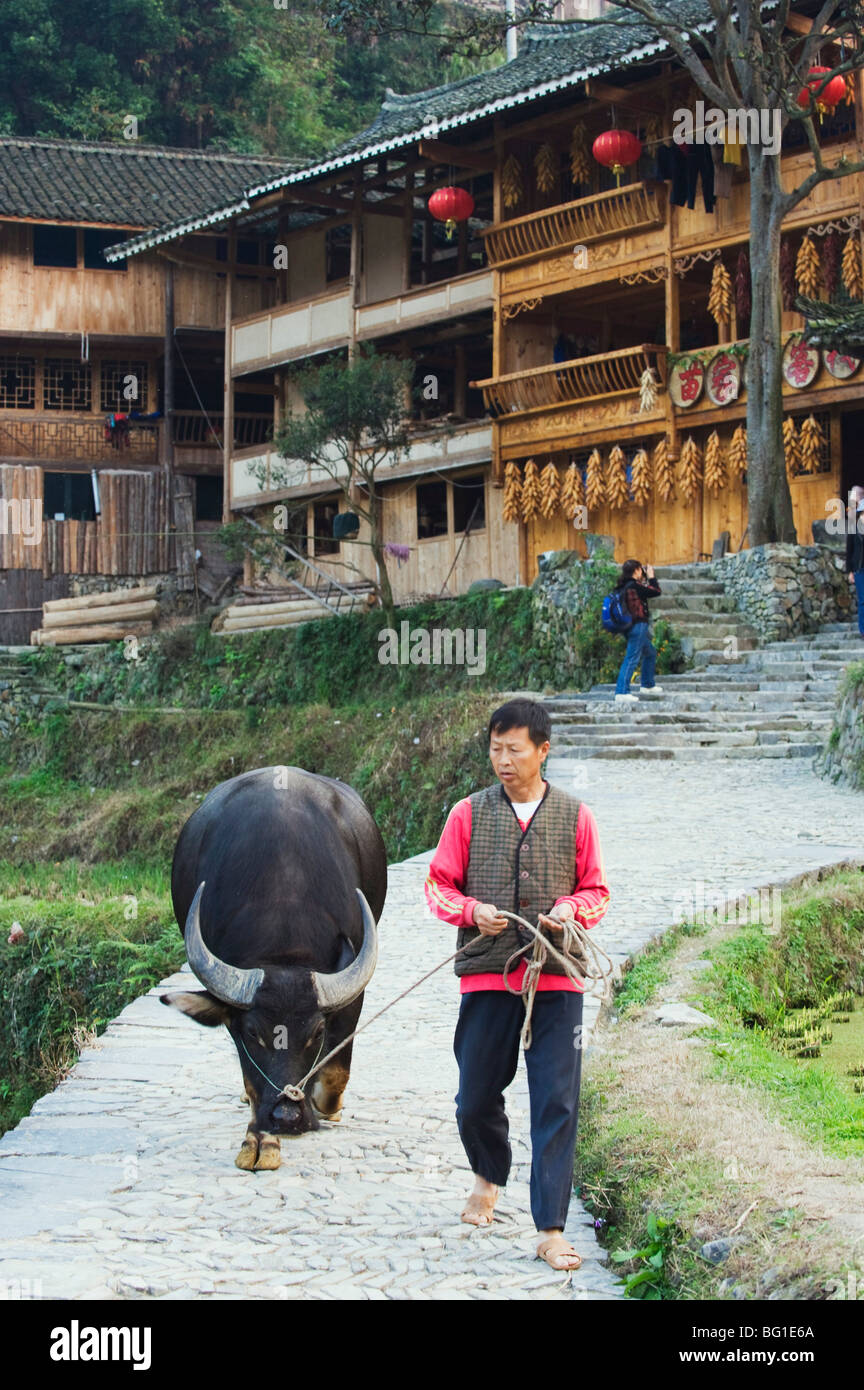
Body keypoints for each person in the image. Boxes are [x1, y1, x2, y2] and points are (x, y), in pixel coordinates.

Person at [424, 699, 610, 1272]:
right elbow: (437, 887)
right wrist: (472, 910)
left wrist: (571, 909)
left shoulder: (577, 816)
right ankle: (487, 1173)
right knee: (475, 1096)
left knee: (556, 1099)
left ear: (543, 751)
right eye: (495, 748)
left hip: (558, 977)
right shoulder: (467, 814)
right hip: (488, 975)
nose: (502, 760)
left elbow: (598, 892)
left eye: (515, 750)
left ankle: (551, 1228)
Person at [613, 558, 663, 704]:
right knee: (632, 657)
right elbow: (656, 592)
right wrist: (652, 577)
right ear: (636, 570)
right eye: (641, 569)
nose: (643, 572)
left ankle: (647, 684)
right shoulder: (634, 586)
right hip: (638, 626)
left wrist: (645, 579)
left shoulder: (623, 586)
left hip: (627, 627)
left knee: (650, 652)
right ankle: (622, 692)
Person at [846, 485, 864, 638]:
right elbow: (849, 548)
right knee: (862, 600)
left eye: (853, 497)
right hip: (859, 568)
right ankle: (863, 630)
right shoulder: (853, 523)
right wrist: (850, 570)